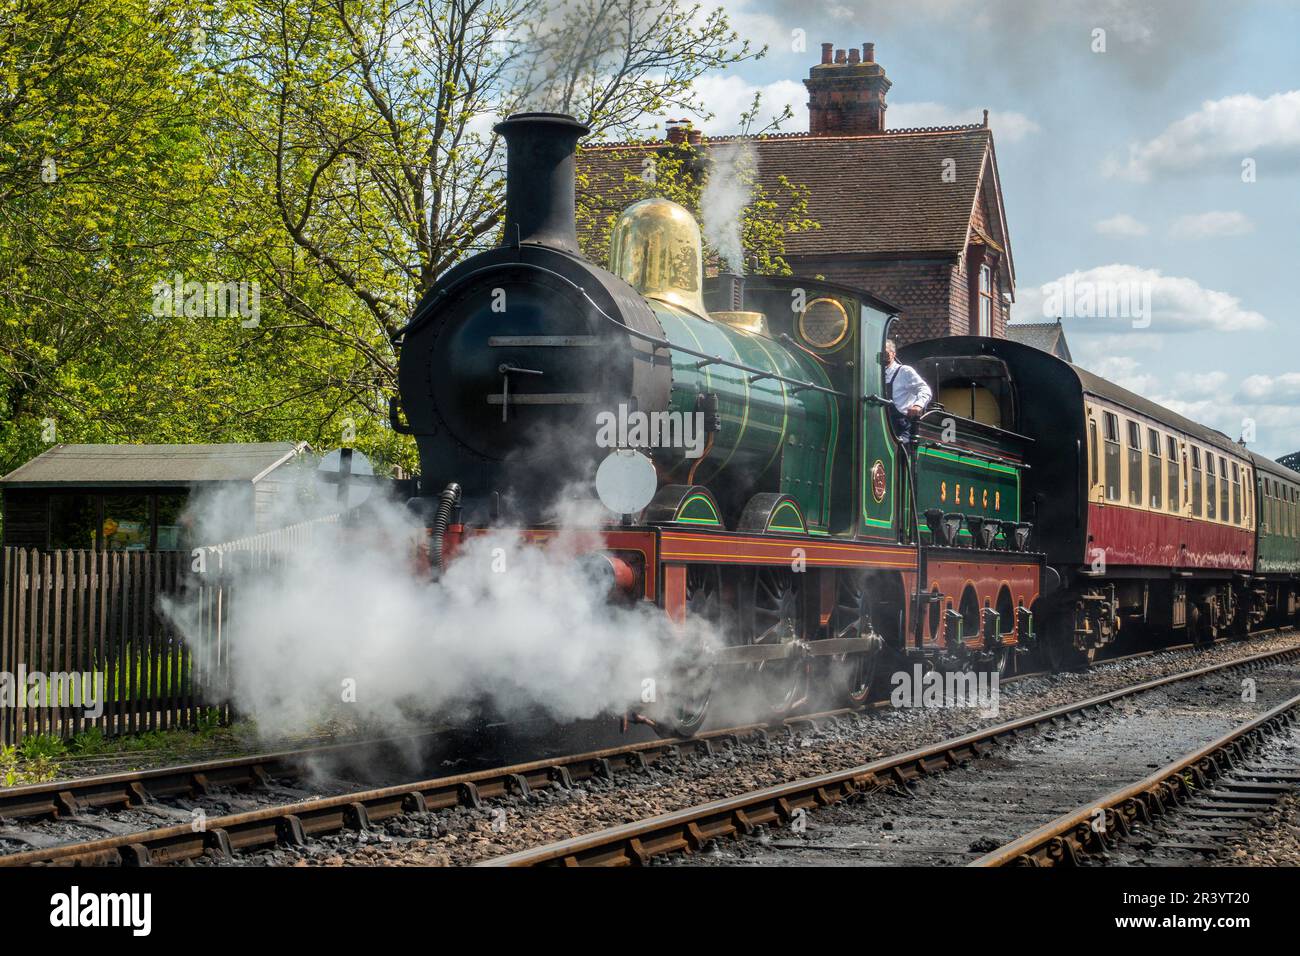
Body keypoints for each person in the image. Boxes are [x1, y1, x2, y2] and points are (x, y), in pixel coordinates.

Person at [883, 339, 932, 447]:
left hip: (900, 426)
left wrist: (918, 405)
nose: (883, 355)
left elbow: (924, 389)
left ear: (893, 353)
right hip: (880, 422)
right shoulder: (875, 373)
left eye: (886, 352)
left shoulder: (904, 371)